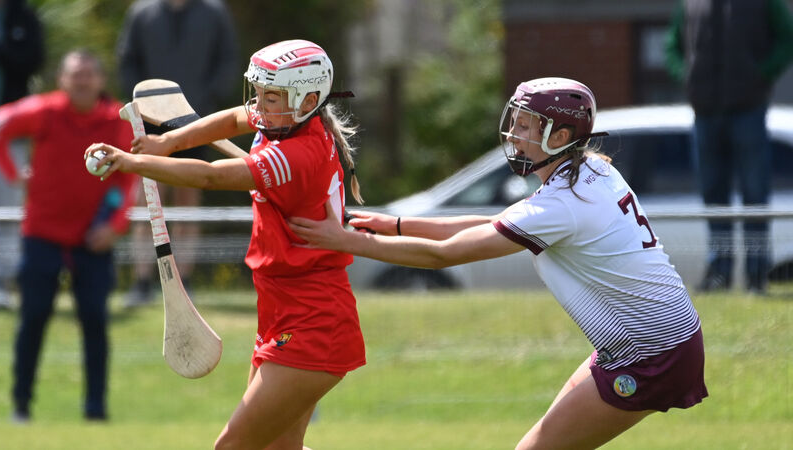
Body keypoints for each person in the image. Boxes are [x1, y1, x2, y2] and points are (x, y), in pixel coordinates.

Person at [288, 78, 708, 449]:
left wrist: (346, 241)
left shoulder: (564, 202)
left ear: (561, 136)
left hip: (653, 354)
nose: (513, 134)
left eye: (525, 126)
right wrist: (397, 225)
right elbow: (495, 223)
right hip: (653, 343)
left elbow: (445, 254)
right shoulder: (587, 170)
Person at [86, 39, 366, 448]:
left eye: (271, 97)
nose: (259, 105)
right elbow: (236, 117)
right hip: (285, 311)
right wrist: (168, 143)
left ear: (308, 100)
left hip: (313, 322)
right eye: (259, 93)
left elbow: (211, 176)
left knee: (232, 447)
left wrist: (133, 162)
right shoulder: (286, 118)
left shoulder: (296, 154)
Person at [0, 49, 137, 422]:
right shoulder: (44, 111)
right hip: (42, 233)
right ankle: (21, 406)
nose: (82, 81)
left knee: (94, 321)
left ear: (101, 80)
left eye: (89, 74)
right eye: (75, 74)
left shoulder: (117, 119)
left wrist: (115, 226)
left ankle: (95, 411)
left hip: (94, 238)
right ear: (62, 80)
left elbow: (131, 177)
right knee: (33, 318)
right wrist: (13, 173)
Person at [116, 0, 240, 306]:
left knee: (188, 201)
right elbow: (127, 61)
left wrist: (207, 100)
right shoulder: (141, 12)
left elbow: (227, 61)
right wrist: (143, 104)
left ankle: (184, 283)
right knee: (148, 199)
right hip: (148, 122)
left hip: (197, 121)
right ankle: (142, 283)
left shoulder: (214, 12)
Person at [665, 0, 793, 294]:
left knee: (754, 195)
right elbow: (671, 45)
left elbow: (787, 40)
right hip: (705, 111)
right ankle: (720, 272)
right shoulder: (691, 2)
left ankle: (756, 274)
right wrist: (686, 75)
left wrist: (761, 74)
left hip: (748, 109)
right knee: (713, 196)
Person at [0, 0, 44, 309]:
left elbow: (32, 61)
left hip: (10, 135)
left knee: (8, 208)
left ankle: (1, 282)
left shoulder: (23, 16)